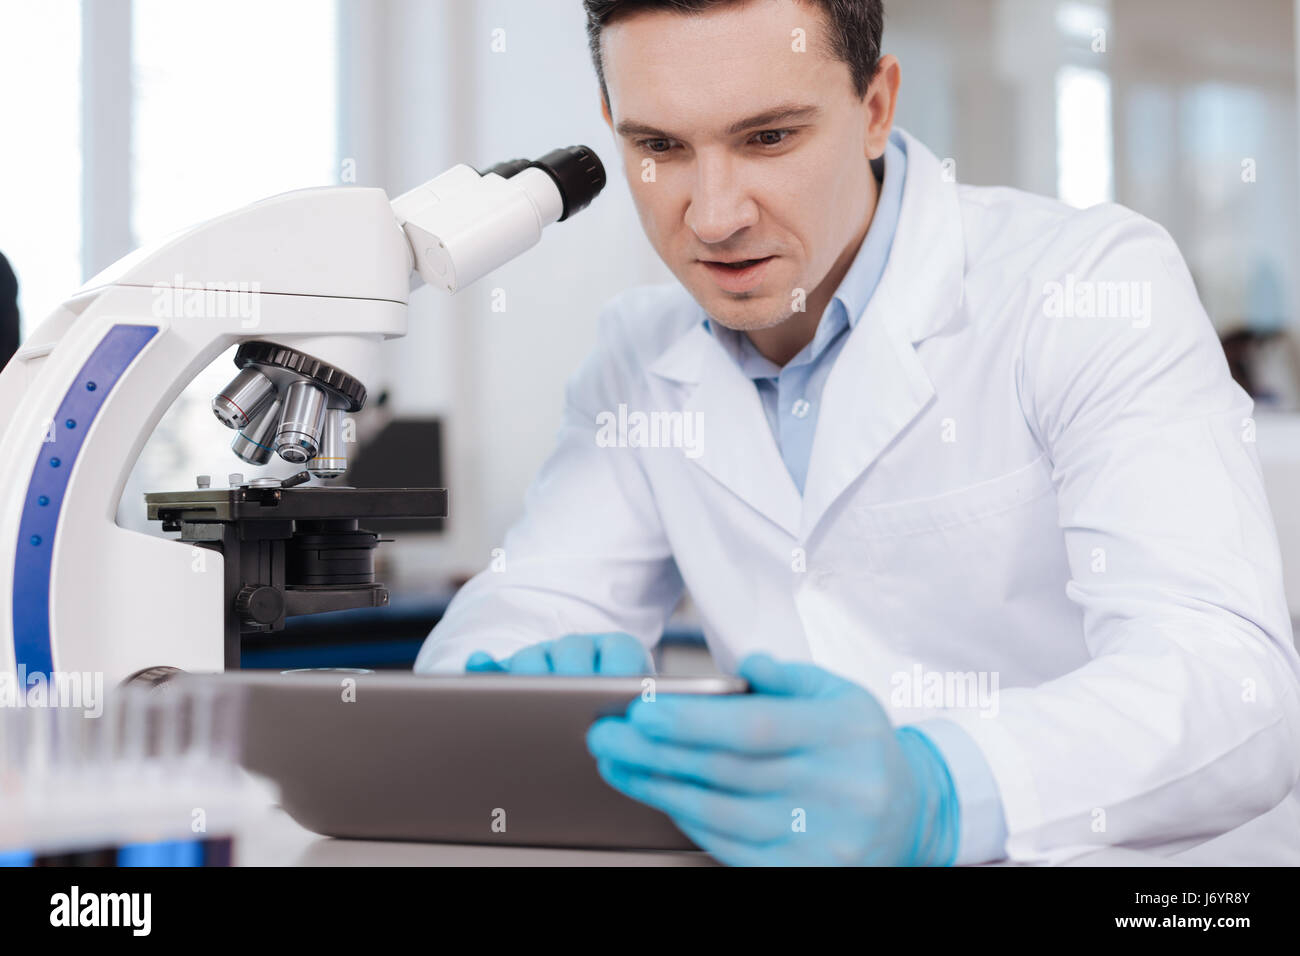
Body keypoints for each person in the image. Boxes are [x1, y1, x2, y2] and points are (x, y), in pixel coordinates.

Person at [416, 0, 1300, 866]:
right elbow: (518, 611)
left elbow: (1231, 681)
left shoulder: (1086, 289)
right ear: (614, 126)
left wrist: (940, 792)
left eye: (768, 137)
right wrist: (502, 694)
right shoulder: (637, 358)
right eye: (660, 147)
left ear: (875, 108)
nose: (715, 216)